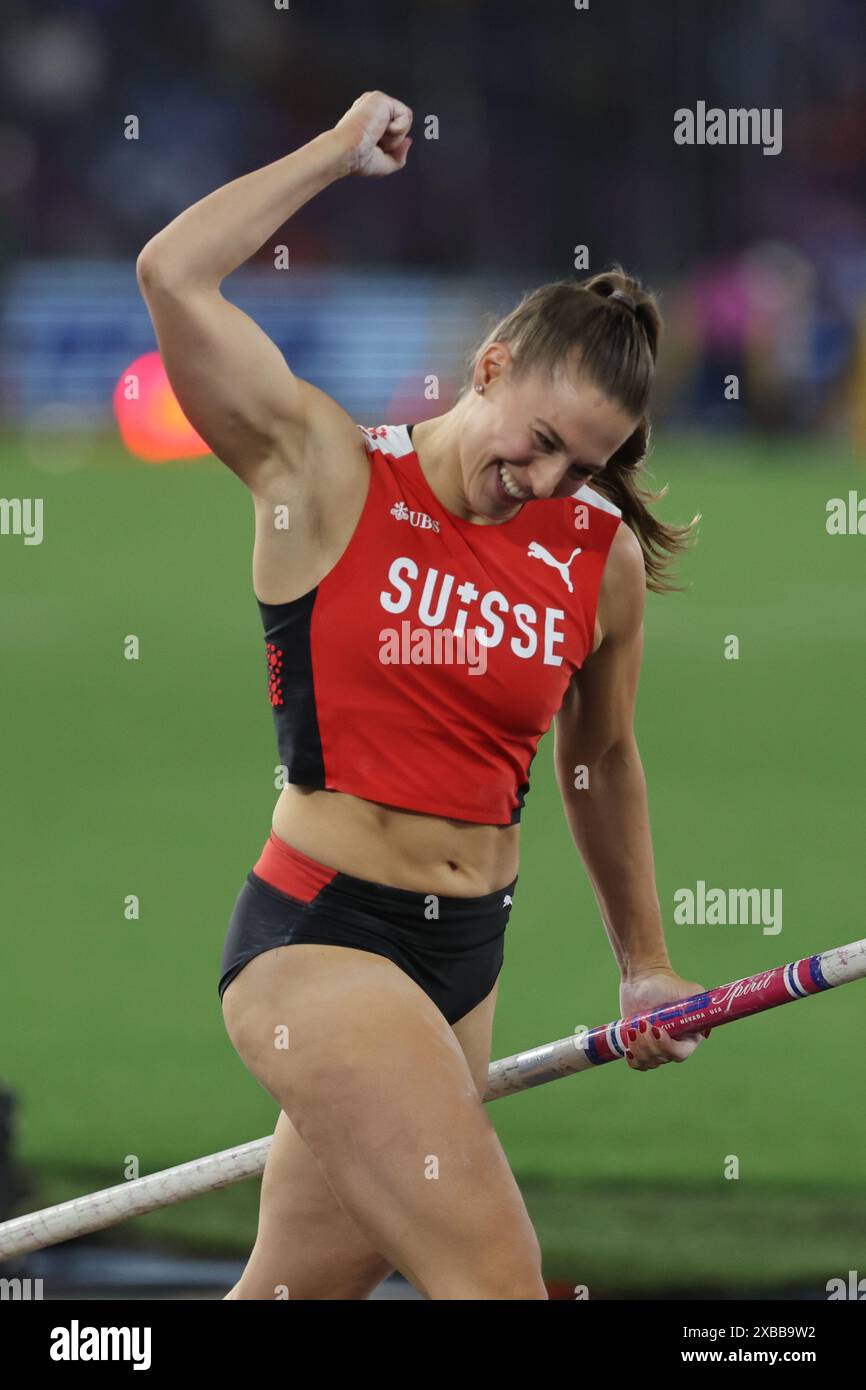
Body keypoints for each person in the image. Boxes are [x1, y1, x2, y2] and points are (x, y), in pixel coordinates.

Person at [136, 91, 707, 1302]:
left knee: (300, 1286)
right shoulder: (322, 469)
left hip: (463, 965)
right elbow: (174, 275)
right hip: (321, 944)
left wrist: (644, 964)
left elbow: (598, 760)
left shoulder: (590, 554)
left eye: (582, 465)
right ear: (488, 364)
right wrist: (337, 154)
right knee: (496, 1277)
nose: (544, 479)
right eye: (540, 439)